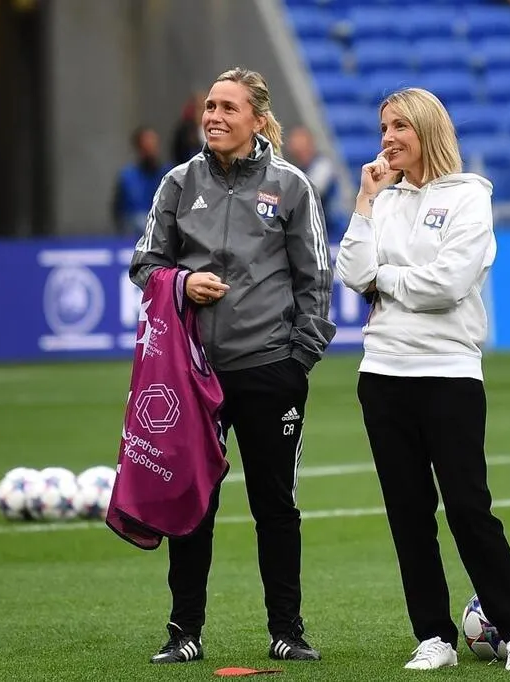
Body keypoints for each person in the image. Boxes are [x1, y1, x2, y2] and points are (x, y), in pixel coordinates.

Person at [129, 67, 334, 665]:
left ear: (256, 118)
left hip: (271, 368)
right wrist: (184, 282)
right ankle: (184, 632)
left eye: (227, 108)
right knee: (194, 502)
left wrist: (299, 359)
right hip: (193, 374)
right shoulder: (176, 182)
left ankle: (288, 632)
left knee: (275, 504)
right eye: (209, 107)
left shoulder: (292, 186)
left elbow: (315, 279)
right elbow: (145, 265)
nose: (213, 116)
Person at [334, 87, 510, 672]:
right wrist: (365, 202)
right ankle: (434, 636)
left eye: (399, 125)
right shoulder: (383, 198)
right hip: (381, 374)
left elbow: (449, 283)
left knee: (469, 508)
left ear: (426, 129)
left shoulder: (471, 197)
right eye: (382, 127)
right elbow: (352, 273)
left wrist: (388, 278)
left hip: (449, 373)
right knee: (407, 513)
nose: (387, 138)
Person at [112, 126, 171, 236]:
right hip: (134, 234)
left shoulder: (169, 175)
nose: (151, 150)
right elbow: (118, 212)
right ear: (139, 148)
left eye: (154, 145)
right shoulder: (127, 177)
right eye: (147, 146)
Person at [285, 126, 341, 241]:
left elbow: (310, 191)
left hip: (329, 232)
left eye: (299, 140)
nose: (295, 145)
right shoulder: (296, 169)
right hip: (308, 233)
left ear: (309, 143)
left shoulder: (323, 166)